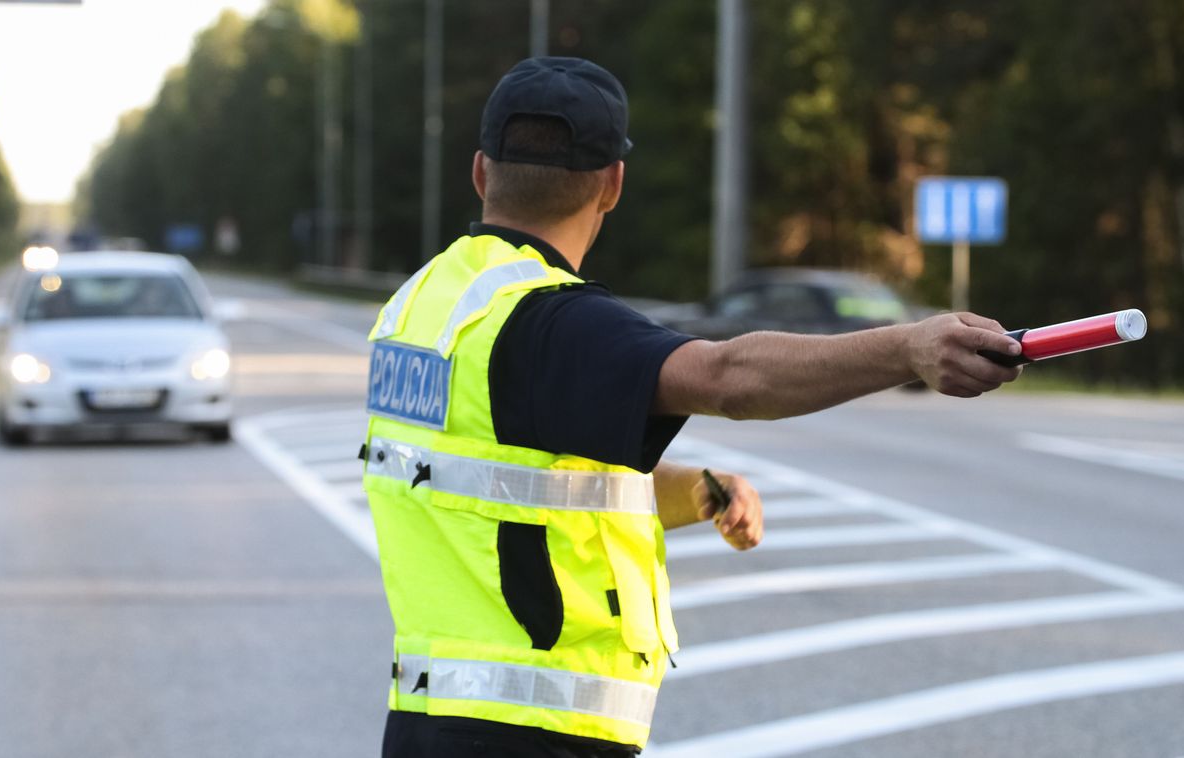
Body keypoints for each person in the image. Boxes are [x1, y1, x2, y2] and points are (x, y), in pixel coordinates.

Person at [362, 56, 1023, 758]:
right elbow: (725, 376)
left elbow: (496, 479)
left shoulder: (425, 308)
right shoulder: (547, 323)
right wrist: (908, 349)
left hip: (426, 724)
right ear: (612, 185)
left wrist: (696, 493)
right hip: (531, 733)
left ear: (478, 172)